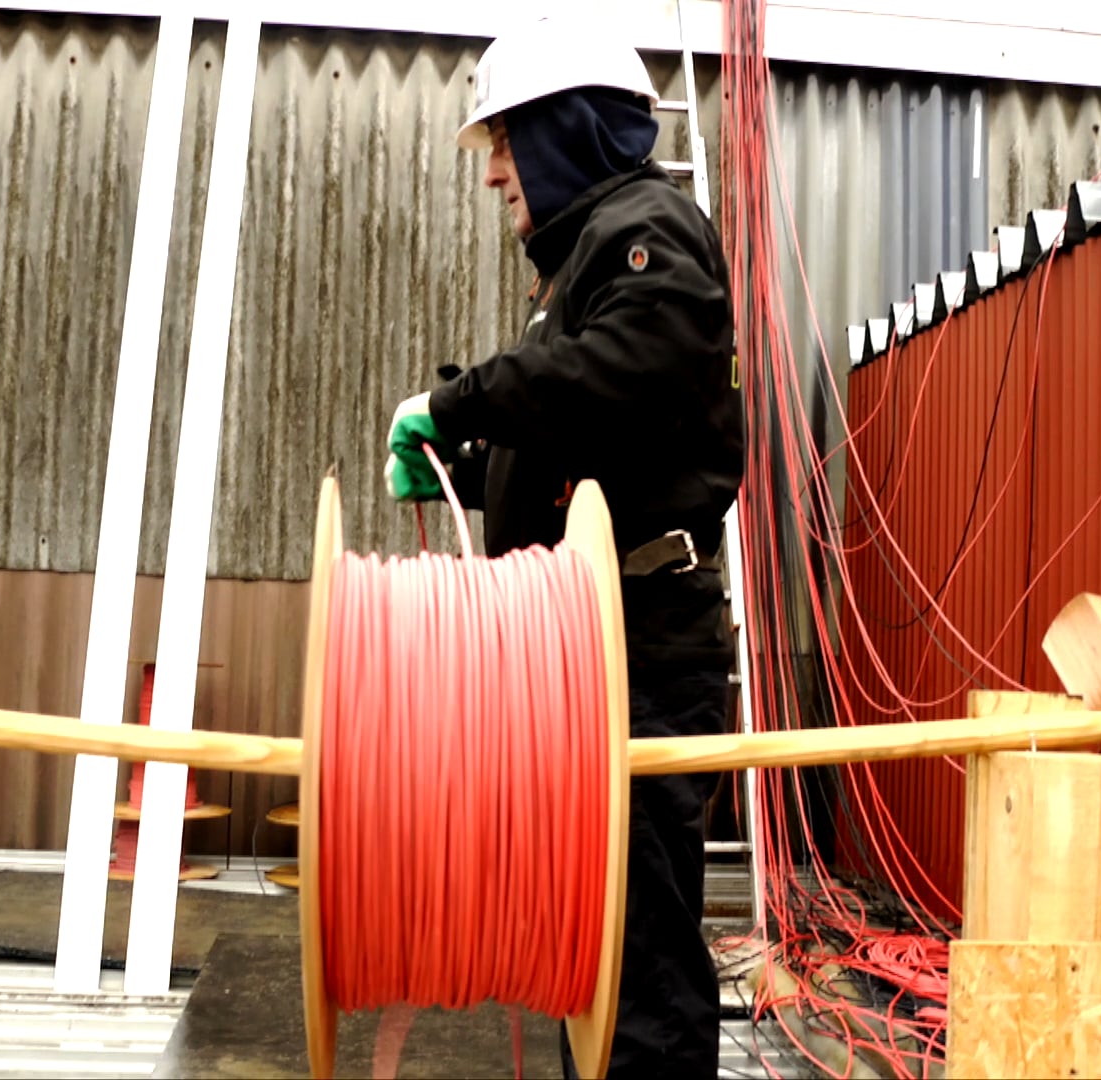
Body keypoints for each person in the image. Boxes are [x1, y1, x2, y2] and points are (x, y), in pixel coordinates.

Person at [382, 18, 744, 1078]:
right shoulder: (592, 258)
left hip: (641, 646)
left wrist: (461, 406)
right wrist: (479, 440)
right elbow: (589, 412)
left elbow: (632, 364)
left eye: (504, 141)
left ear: (565, 131)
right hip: (591, 655)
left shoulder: (648, 230)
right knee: (596, 930)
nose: (493, 172)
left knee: (640, 940)